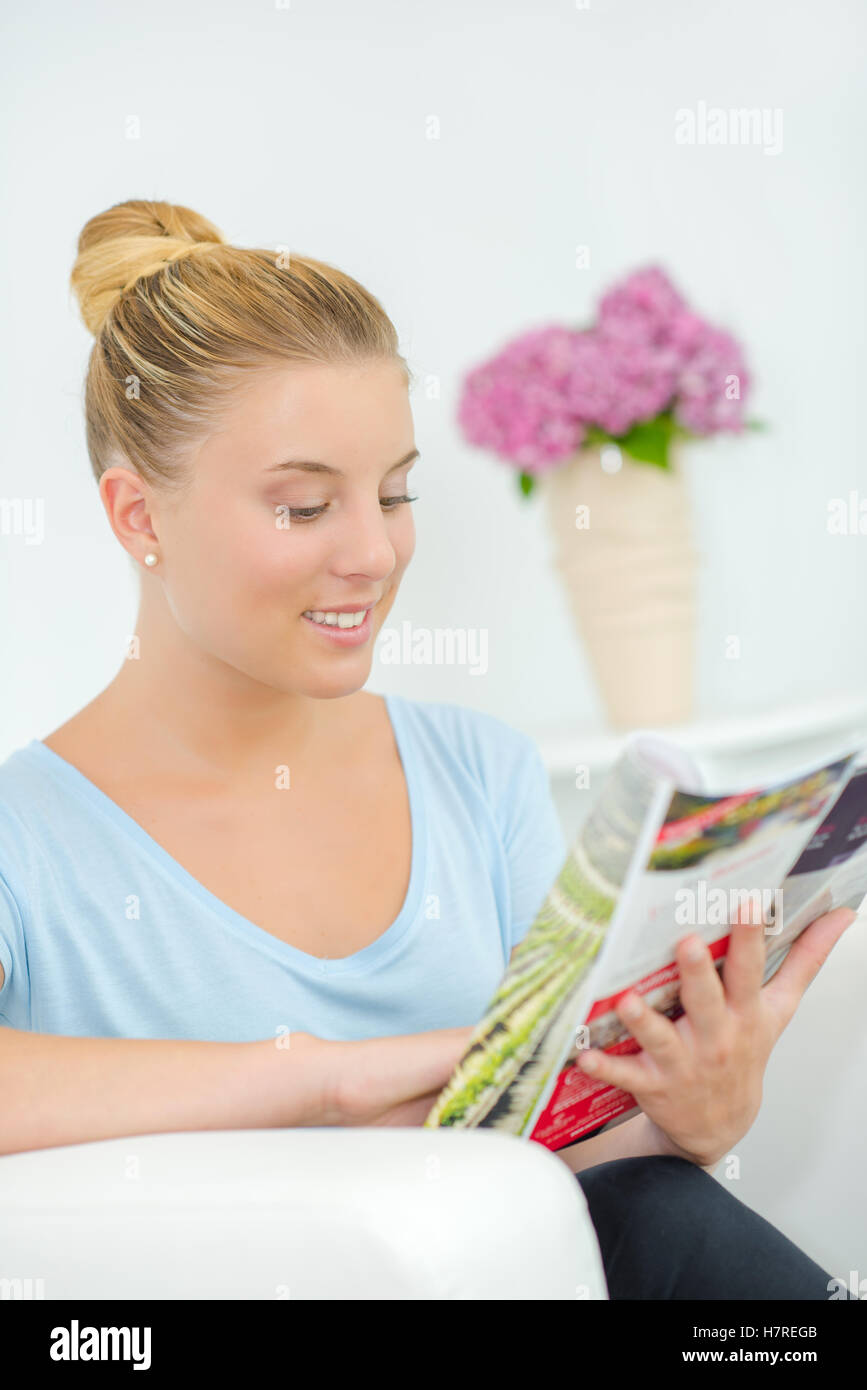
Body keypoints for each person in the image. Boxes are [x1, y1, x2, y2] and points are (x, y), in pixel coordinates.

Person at [0, 199, 856, 1300]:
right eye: (305, 507)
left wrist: (692, 1115)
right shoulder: (28, 839)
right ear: (138, 516)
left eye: (396, 492)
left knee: (662, 1211)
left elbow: (552, 1182)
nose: (375, 551)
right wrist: (328, 1084)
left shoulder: (475, 773)